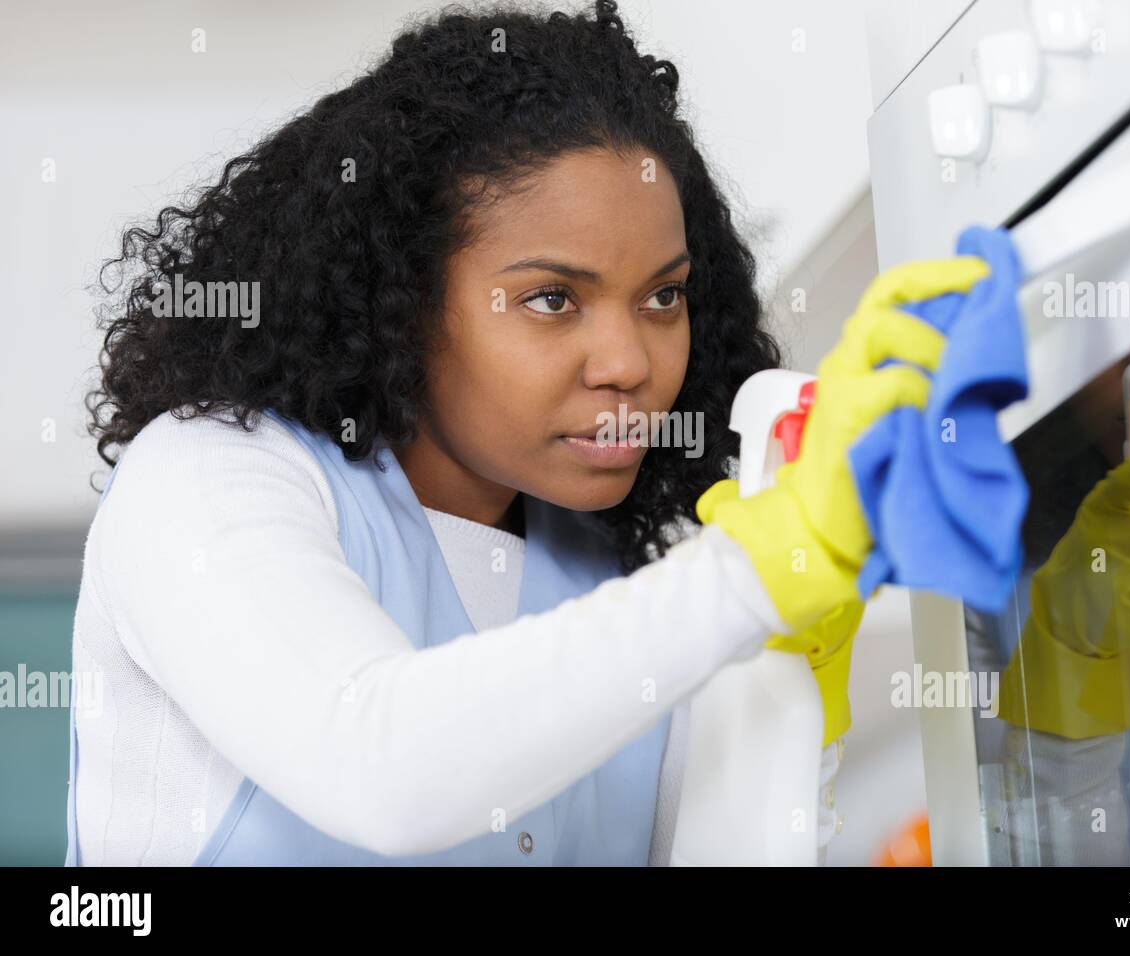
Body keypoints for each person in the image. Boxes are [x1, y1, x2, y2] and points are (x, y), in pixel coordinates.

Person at [68, 0, 985, 866]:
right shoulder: (203, 480)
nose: (628, 360)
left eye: (664, 295)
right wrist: (753, 575)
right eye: (553, 299)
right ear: (401, 299)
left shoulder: (622, 576)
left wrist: (783, 699)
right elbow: (382, 767)